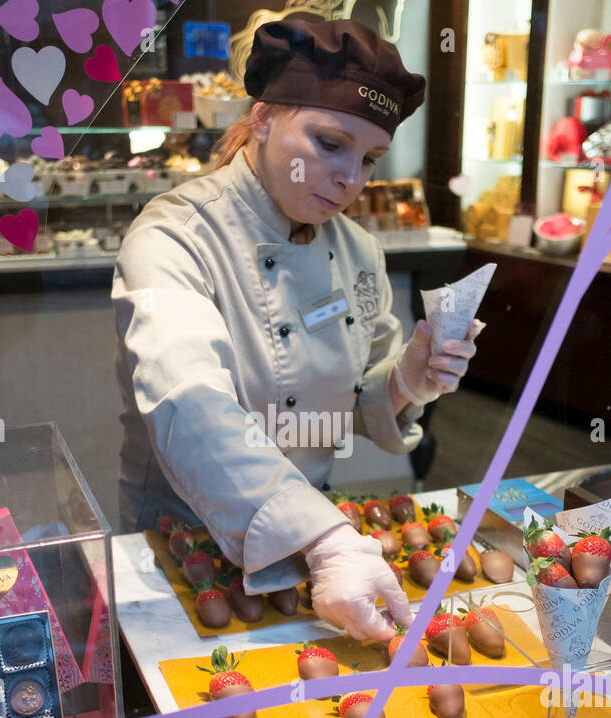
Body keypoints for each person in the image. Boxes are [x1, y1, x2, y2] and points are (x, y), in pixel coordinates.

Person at [113, 16, 484, 643]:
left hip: (317, 540)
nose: (351, 179)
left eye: (369, 158)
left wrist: (405, 382)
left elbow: (350, 398)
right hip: (187, 537)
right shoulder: (174, 235)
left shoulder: (359, 249)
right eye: (329, 143)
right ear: (262, 118)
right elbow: (191, 403)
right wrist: (327, 539)